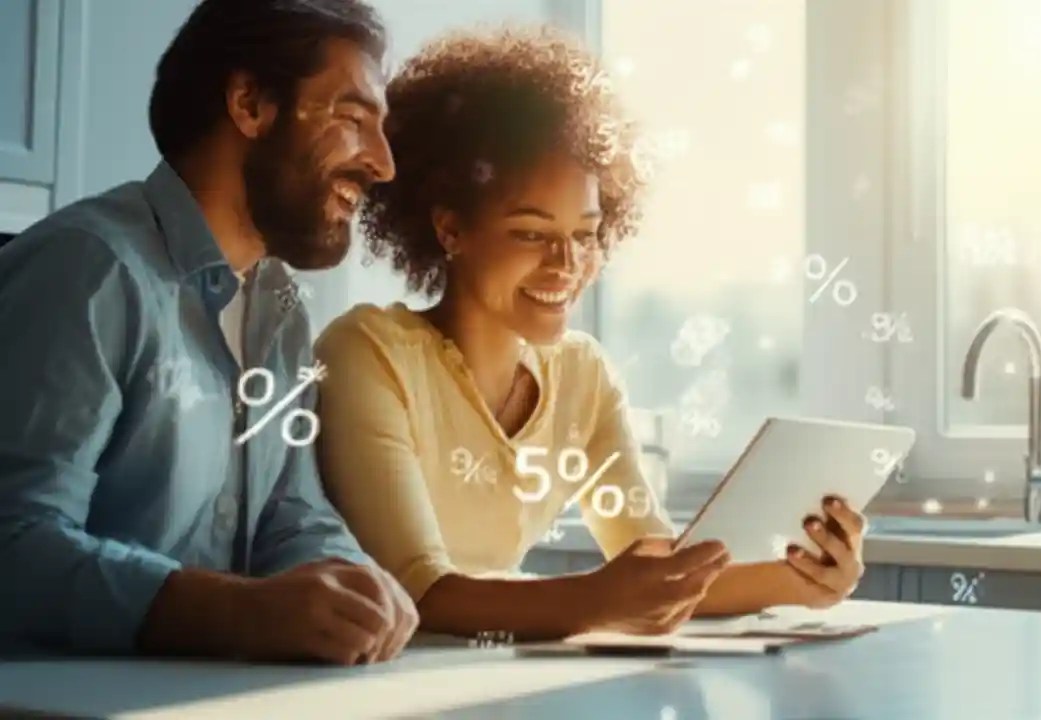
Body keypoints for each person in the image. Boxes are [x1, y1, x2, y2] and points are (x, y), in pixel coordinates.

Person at [315, 26, 866, 641]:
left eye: (585, 234)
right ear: (450, 230)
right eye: (530, 233)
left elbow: (655, 568)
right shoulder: (368, 354)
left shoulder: (581, 375)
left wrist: (801, 580)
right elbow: (421, 593)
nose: (566, 264)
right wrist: (600, 600)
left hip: (483, 680)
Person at [0, 0, 418, 663]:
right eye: (352, 118)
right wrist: (238, 612)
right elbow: (15, 544)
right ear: (250, 104)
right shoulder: (90, 269)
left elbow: (290, 511)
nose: (384, 163)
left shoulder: (281, 309)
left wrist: (351, 582)